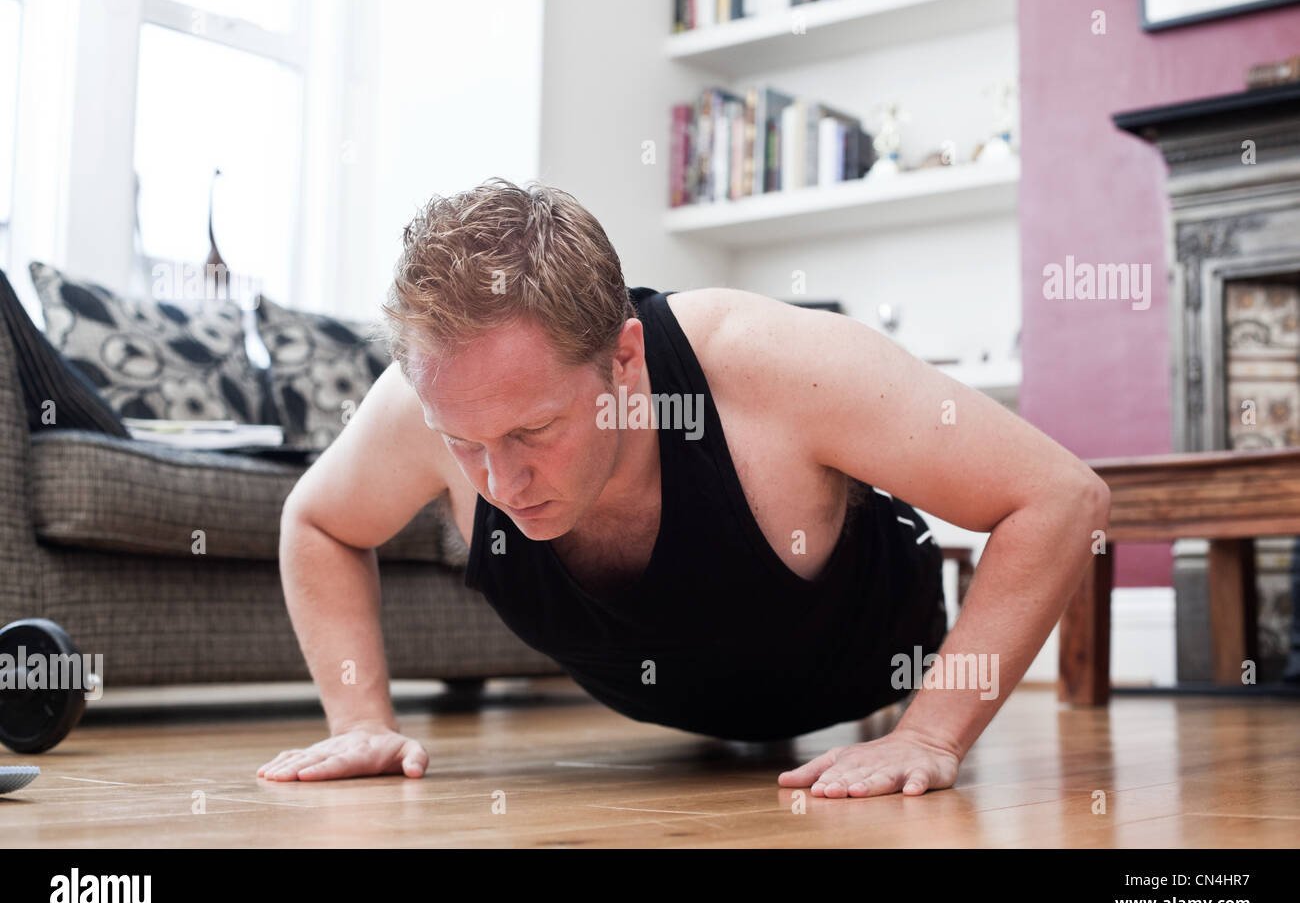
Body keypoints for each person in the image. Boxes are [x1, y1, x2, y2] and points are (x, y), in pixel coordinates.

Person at [259, 178, 1109, 798]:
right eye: (464, 444)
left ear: (625, 359)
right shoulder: (422, 402)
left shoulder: (767, 361)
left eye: (534, 431)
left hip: (862, 666)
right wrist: (361, 720)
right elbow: (320, 521)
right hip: (672, 697)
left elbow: (1061, 495)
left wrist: (929, 734)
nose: (503, 484)